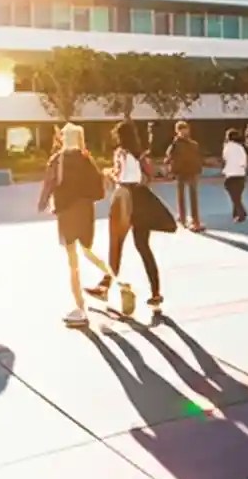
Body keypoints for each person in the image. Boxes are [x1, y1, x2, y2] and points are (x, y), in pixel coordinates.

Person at [86, 119, 172, 314]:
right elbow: (148, 175)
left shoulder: (121, 153)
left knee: (116, 245)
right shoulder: (139, 154)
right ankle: (156, 293)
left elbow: (120, 175)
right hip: (140, 198)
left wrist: (109, 173)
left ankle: (104, 287)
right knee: (143, 247)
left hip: (124, 196)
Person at [38, 123, 119, 328]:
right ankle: (115, 279)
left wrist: (43, 202)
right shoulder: (86, 160)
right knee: (88, 250)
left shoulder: (58, 160)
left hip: (66, 211)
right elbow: (99, 191)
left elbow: (49, 184)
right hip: (85, 211)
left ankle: (79, 308)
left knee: (72, 262)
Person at [165, 120, 203, 231]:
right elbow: (169, 156)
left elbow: (168, 157)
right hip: (183, 171)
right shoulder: (178, 144)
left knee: (190, 196)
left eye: (184, 129)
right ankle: (186, 218)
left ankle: (192, 220)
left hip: (188, 171)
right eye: (181, 130)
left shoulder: (189, 144)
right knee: (184, 196)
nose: (184, 132)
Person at [221, 128, 248, 222]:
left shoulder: (227, 147)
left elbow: (225, 159)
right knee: (237, 195)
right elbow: (244, 161)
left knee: (234, 196)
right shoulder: (240, 147)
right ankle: (236, 213)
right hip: (240, 173)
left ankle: (241, 213)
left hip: (231, 173)